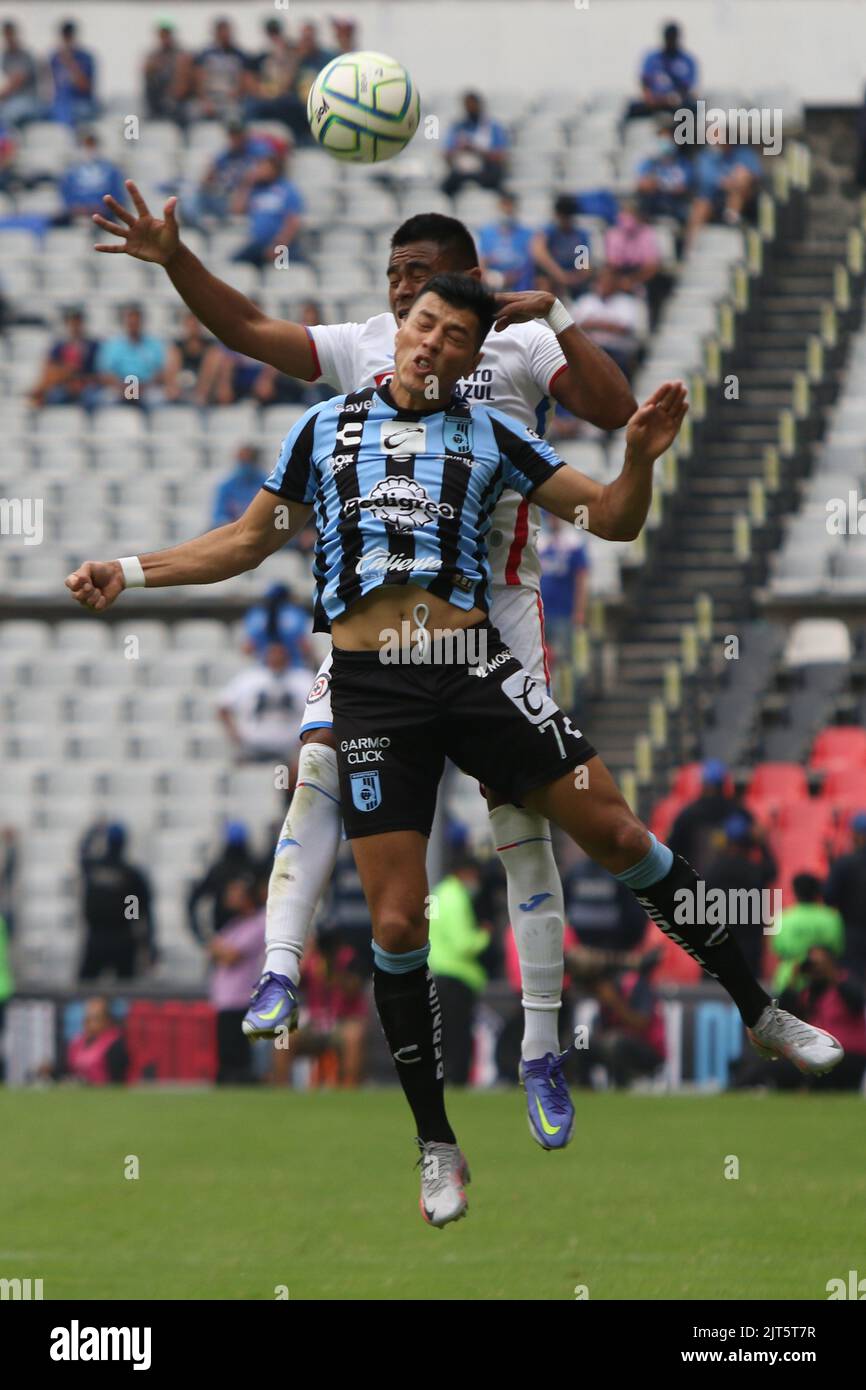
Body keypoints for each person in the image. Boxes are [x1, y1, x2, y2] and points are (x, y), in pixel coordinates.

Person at [67, 276, 843, 1228]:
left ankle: (761, 1012)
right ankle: (437, 1145)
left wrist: (637, 458)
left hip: (475, 669)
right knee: (395, 926)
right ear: (400, 330)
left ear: (475, 359)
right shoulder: (323, 428)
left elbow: (612, 517)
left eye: (455, 336)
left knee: (616, 829)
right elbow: (242, 542)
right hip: (372, 689)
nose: (432, 343)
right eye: (423, 324)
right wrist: (131, 571)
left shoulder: (492, 436)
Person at [734, 948, 866, 1092]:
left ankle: (742, 1088)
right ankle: (743, 1087)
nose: (816, 969)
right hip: (819, 1052)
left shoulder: (846, 984)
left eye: (820, 963)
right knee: (764, 1062)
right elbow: (779, 1013)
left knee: (777, 1068)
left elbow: (857, 1002)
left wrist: (833, 975)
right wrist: (793, 980)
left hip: (850, 1055)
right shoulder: (808, 993)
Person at [427, 846, 491, 1086]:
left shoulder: (437, 893)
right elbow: (464, 943)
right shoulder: (457, 897)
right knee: (459, 1034)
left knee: (440, 1035)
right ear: (465, 873)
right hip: (456, 977)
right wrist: (484, 935)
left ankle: (441, 1081)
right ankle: (459, 1082)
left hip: (434, 972)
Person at [702, 813, 778, 979]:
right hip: (749, 945)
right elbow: (772, 871)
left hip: (718, 943)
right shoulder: (753, 870)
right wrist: (763, 845)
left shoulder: (714, 869)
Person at [208, 873, 266, 1084]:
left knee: (239, 1059)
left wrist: (219, 950)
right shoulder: (235, 924)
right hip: (226, 999)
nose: (230, 898)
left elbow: (230, 955)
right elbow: (212, 949)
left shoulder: (260, 922)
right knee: (226, 1056)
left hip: (242, 998)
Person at [79, 823, 156, 981]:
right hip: (122, 938)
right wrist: (147, 942)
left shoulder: (94, 868)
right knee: (124, 990)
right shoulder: (131, 874)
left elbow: (82, 851)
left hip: (97, 937)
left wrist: (94, 828)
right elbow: (137, 912)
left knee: (85, 989)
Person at [217, 641, 312, 768]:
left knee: (285, 783)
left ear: (288, 656)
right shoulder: (248, 678)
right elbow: (223, 707)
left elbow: (317, 711)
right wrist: (235, 735)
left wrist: (305, 739)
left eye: (280, 654)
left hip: (290, 751)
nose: (276, 657)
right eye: (273, 654)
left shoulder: (303, 679)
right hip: (252, 748)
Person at [666, 759, 748, 876]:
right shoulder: (735, 811)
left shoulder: (688, 813)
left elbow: (673, 851)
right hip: (729, 887)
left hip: (698, 885)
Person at [772, 873, 845, 994]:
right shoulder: (832, 917)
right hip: (824, 983)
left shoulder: (782, 918)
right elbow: (838, 950)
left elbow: (778, 950)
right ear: (817, 892)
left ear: (795, 892)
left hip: (789, 982)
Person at [571, 266, 649, 380]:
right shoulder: (585, 301)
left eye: (609, 281)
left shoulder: (628, 303)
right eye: (602, 280)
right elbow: (573, 327)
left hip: (617, 352)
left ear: (616, 283)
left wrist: (593, 324)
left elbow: (626, 329)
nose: (605, 284)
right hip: (588, 351)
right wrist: (607, 325)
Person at [686, 132, 762, 246]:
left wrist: (736, 180)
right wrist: (724, 181)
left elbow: (756, 174)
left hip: (743, 197)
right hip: (714, 198)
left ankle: (731, 221)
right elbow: (706, 179)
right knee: (700, 205)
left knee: (740, 181)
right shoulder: (707, 155)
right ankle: (690, 248)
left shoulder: (744, 153)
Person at [187, 823, 259, 943]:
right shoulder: (219, 870)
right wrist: (203, 937)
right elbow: (194, 900)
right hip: (224, 937)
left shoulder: (253, 868)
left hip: (253, 936)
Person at [231, 148, 303, 267]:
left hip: (281, 244)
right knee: (236, 265)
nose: (259, 170)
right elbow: (237, 210)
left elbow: (293, 222)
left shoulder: (287, 189)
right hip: (259, 243)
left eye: (263, 166)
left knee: (282, 271)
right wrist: (247, 183)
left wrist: (278, 244)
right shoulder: (255, 190)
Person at [194, 118, 274, 222]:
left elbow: (268, 170)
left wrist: (247, 181)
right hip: (227, 196)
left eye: (238, 134)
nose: (235, 138)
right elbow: (207, 178)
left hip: (254, 194)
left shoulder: (258, 149)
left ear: (245, 134)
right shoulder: (226, 154)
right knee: (195, 197)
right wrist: (210, 175)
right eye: (232, 134)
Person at [537, 513, 589, 666]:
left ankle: (566, 690)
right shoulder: (540, 542)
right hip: (541, 614)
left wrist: (579, 611)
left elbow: (581, 578)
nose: (553, 520)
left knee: (563, 660)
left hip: (563, 613)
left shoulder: (573, 543)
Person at [28, 306, 100, 409]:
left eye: (78, 322)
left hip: (85, 384)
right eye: (72, 323)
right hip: (64, 384)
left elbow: (97, 371)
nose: (75, 326)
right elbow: (50, 366)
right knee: (55, 396)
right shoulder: (60, 345)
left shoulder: (93, 346)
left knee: (91, 398)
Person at [95, 303, 166, 407]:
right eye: (130, 322)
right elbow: (105, 373)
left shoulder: (154, 344)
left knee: (158, 399)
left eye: (136, 322)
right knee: (105, 399)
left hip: (146, 388)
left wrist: (143, 387)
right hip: (119, 387)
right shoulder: (112, 345)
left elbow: (160, 372)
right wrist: (122, 386)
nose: (133, 325)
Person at [442, 92, 509, 199]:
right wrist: (460, 150)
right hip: (463, 169)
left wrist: (478, 151)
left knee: (495, 180)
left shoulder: (493, 126)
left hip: (486, 169)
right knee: (446, 185)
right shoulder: (457, 127)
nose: (470, 108)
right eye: (467, 105)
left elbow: (501, 155)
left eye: (473, 104)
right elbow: (446, 153)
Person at [627, 21, 698, 121]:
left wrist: (673, 99)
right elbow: (645, 82)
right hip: (654, 102)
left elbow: (687, 87)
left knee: (692, 109)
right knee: (632, 108)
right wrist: (652, 98)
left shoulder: (687, 60)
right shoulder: (652, 58)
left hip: (676, 103)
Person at [824, 811, 866, 978]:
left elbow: (829, 897)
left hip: (850, 932)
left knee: (854, 979)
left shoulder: (844, 864)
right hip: (851, 930)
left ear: (857, 836)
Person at [56, 130, 125, 225]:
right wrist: (76, 208)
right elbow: (65, 193)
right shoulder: (70, 171)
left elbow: (117, 194)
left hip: (104, 214)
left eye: (91, 145)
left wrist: (102, 208)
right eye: (85, 145)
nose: (88, 149)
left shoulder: (111, 170)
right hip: (75, 213)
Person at [530, 195, 592, 301]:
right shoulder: (548, 231)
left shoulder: (581, 235)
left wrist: (571, 279)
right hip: (551, 276)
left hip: (574, 282)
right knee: (542, 276)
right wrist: (560, 275)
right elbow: (539, 253)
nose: (566, 219)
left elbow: (584, 266)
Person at [192, 17, 248, 122]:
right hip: (210, 97)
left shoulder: (239, 55)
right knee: (194, 112)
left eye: (227, 32)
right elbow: (199, 79)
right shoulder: (205, 55)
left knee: (235, 115)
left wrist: (235, 96)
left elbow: (242, 80)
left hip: (230, 98)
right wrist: (204, 100)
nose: (224, 35)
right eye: (221, 32)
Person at [242, 581, 311, 667]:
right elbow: (305, 647)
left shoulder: (256, 613)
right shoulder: (295, 612)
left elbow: (247, 649)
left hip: (286, 666)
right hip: (281, 667)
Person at [636, 121, 692, 225]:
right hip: (653, 203)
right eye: (662, 138)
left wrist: (659, 185)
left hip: (674, 206)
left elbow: (682, 188)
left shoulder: (683, 163)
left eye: (668, 138)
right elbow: (643, 184)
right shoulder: (649, 162)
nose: (666, 141)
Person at [478, 192, 535, 293]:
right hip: (492, 280)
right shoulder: (486, 232)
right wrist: (491, 277)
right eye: (504, 206)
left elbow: (527, 263)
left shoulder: (527, 234)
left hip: (518, 281)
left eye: (510, 206)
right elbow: (482, 260)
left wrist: (511, 277)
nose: (507, 210)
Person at [65, 997, 129, 1085]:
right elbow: (66, 1071)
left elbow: (117, 1081)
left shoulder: (115, 1045)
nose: (88, 1023)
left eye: (95, 1019)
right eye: (87, 1018)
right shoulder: (76, 1042)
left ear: (107, 1021)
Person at [48, 20, 98, 127]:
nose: (67, 40)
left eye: (69, 36)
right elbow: (52, 85)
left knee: (76, 113)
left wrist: (70, 64)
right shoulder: (55, 58)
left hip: (81, 103)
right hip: (61, 104)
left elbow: (86, 87)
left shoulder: (85, 58)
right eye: (65, 36)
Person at [143, 18, 192, 125]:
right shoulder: (154, 55)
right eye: (162, 35)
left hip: (178, 99)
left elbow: (184, 81)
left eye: (167, 35)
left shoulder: (181, 54)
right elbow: (147, 72)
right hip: (159, 96)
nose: (165, 39)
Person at [211, 443, 267, 527]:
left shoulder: (268, 485)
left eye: (247, 461)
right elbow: (219, 516)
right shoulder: (227, 487)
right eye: (241, 461)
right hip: (234, 532)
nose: (244, 465)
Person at [163, 311, 212, 403]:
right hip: (182, 386)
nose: (193, 327)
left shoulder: (210, 346)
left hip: (204, 388)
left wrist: (203, 390)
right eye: (190, 324)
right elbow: (171, 368)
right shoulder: (177, 346)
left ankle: (202, 394)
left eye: (195, 324)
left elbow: (211, 366)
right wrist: (173, 386)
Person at [0, 21, 40, 128]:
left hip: (29, 100)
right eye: (6, 35)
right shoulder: (6, 57)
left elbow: (17, 81)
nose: (8, 38)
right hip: (12, 100)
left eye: (10, 34)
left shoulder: (26, 56)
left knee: (9, 114)